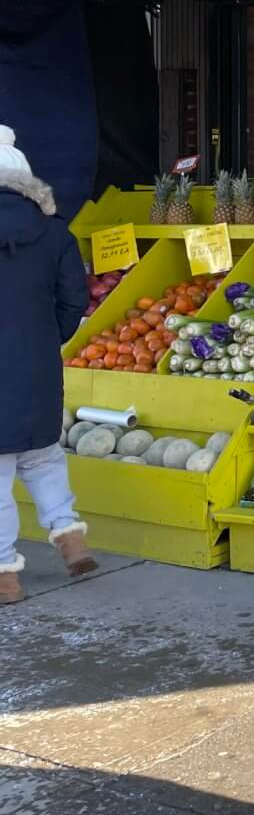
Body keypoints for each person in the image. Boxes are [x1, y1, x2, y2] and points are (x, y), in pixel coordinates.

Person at [0, 125, 95, 603]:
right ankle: (71, 539)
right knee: (43, 455)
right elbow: (74, 298)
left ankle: (4, 574)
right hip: (37, 366)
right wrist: (44, 338)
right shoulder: (55, 232)